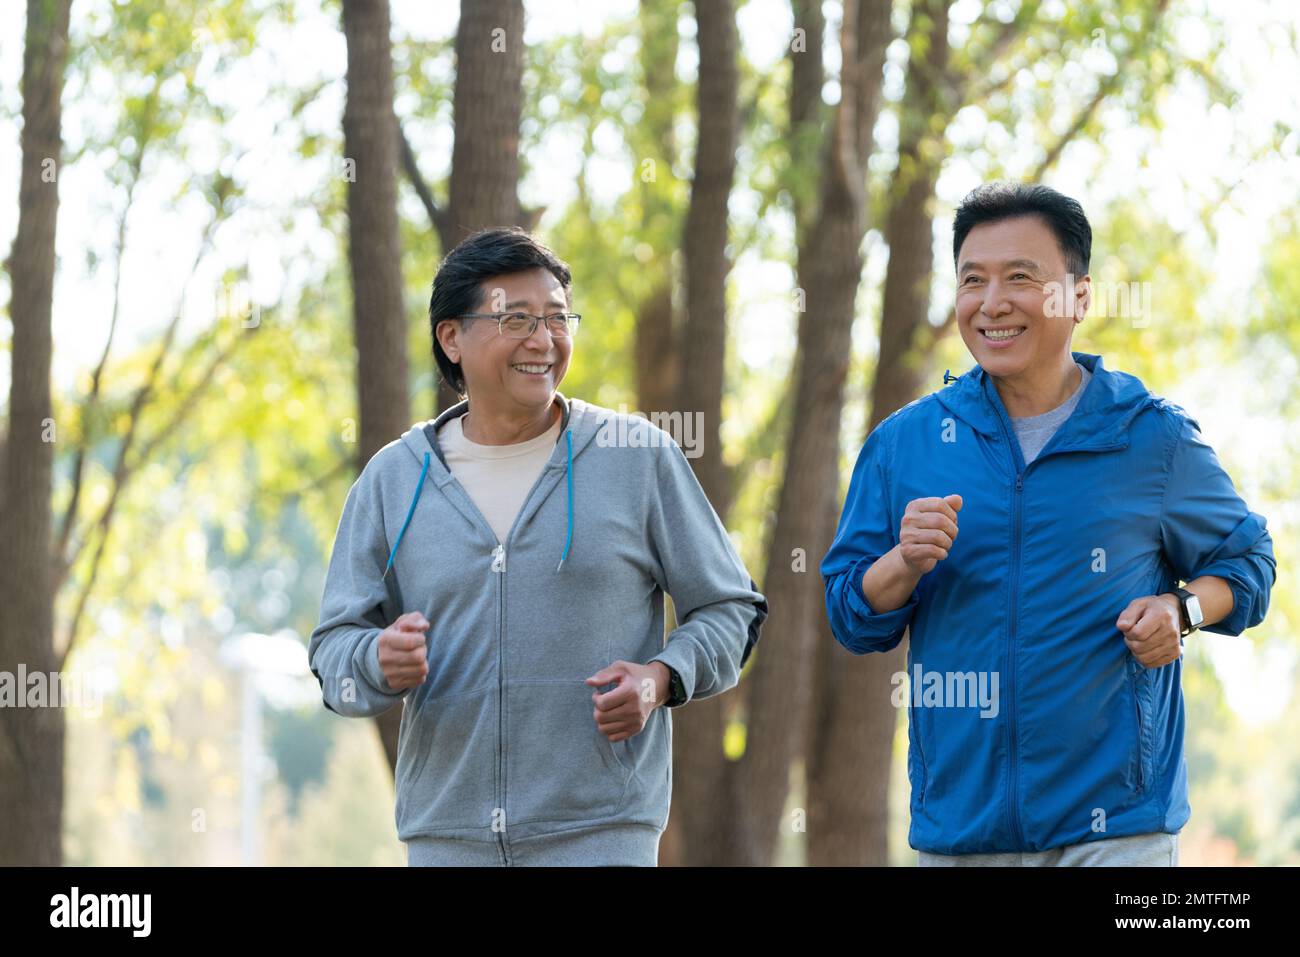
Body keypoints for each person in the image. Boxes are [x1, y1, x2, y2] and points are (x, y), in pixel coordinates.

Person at [821, 182, 1276, 866]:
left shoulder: (1151, 437)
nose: (992, 302)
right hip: (961, 834)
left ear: (1079, 296)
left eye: (1020, 278)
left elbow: (1250, 563)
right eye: (973, 280)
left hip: (1118, 830)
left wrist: (1181, 609)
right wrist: (903, 562)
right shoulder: (906, 444)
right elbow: (850, 611)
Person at [308, 227, 767, 866]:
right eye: (515, 319)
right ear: (452, 337)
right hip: (448, 845)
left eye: (556, 318)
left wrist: (661, 679)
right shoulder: (392, 480)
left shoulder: (636, 459)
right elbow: (333, 651)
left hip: (602, 838)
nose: (543, 340)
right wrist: (376, 661)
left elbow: (731, 608)